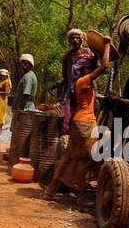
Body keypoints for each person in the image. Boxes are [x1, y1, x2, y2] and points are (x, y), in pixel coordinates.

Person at [45, 41, 110, 198]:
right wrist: (107, 44)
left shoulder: (77, 83)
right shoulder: (84, 81)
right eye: (90, 67)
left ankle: (51, 189)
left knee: (68, 156)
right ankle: (80, 194)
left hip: (77, 122)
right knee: (86, 159)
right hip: (86, 124)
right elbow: (105, 66)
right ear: (85, 68)